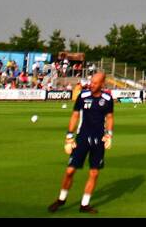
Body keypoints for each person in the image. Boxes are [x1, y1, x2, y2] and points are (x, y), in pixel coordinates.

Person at [48, 71, 114, 214]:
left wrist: (109, 135)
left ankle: (84, 204)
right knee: (70, 170)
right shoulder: (83, 96)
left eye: (95, 83)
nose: (91, 84)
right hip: (82, 138)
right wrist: (69, 137)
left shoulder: (107, 99)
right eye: (91, 82)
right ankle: (61, 199)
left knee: (94, 173)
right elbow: (75, 116)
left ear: (102, 84)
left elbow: (109, 118)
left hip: (99, 140)